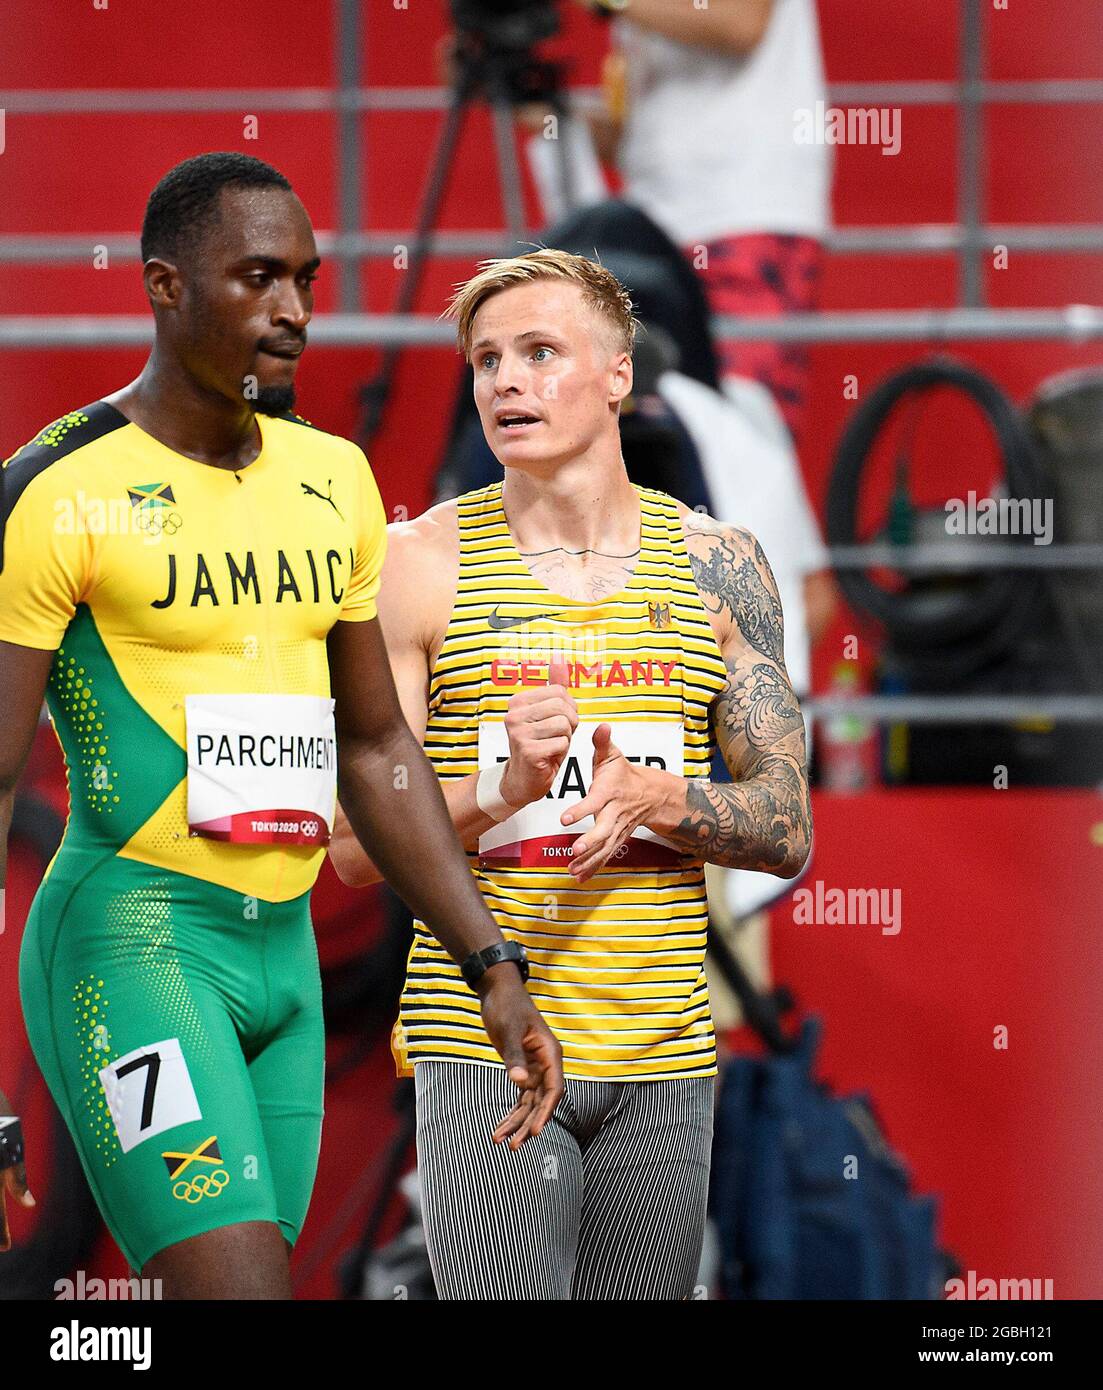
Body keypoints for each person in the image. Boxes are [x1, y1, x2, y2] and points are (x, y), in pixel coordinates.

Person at [0, 152, 562, 1299]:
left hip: (283, 967)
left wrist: (490, 964)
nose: (295, 311)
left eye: (305, 278)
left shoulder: (335, 477)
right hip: (134, 946)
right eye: (259, 278)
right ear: (163, 286)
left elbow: (373, 747)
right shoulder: (55, 488)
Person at [328, 248, 812, 1299]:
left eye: (539, 352)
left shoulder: (720, 565)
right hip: (486, 1038)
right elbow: (357, 848)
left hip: (666, 1051)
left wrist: (666, 799)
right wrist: (497, 792)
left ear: (616, 376)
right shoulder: (414, 565)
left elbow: (787, 825)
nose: (505, 380)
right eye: (487, 359)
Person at [568, 0, 832, 452]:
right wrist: (546, 110)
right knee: (649, 438)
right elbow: (641, 136)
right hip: (654, 221)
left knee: (740, 441)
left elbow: (740, 22)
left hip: (744, 210)